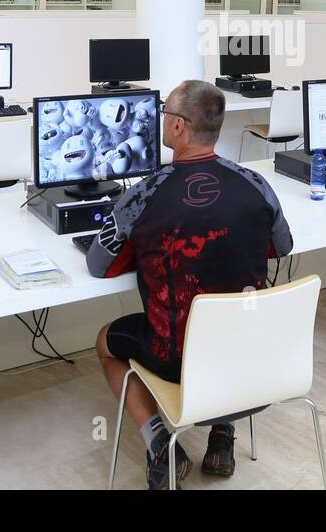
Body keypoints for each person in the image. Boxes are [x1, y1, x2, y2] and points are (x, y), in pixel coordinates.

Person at [89, 79, 293, 489]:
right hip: (250, 355)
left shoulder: (143, 195)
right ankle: (222, 434)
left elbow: (98, 263)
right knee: (225, 313)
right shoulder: (256, 185)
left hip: (175, 357)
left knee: (104, 343)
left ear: (179, 126)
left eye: (165, 113)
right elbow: (282, 247)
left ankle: (161, 443)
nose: (162, 120)